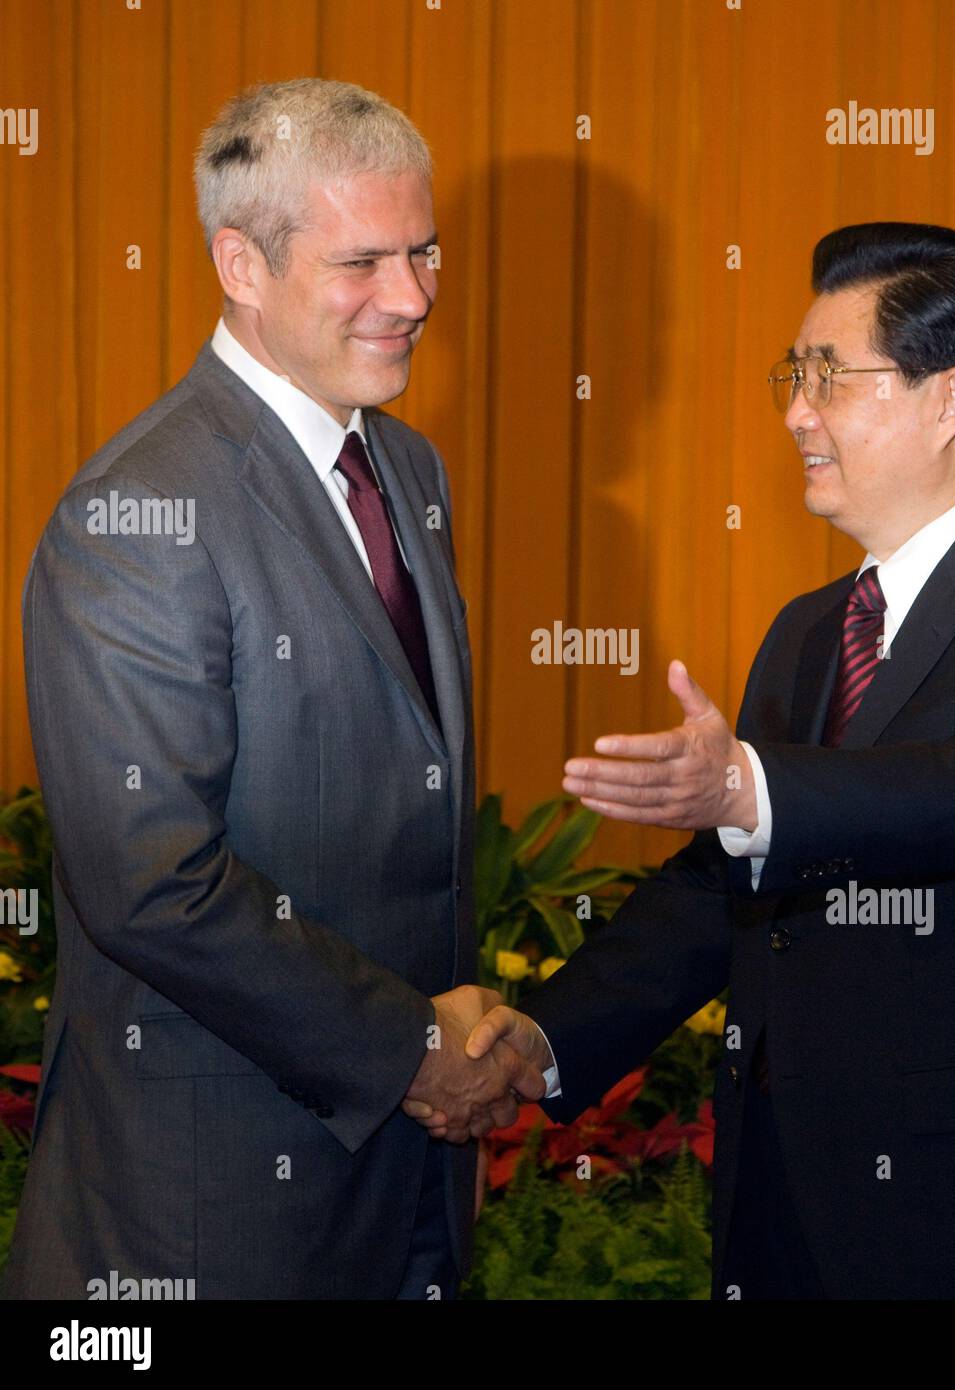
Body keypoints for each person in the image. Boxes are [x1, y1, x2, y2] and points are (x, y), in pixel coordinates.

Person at [412, 223, 955, 1299]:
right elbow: (728, 878)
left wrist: (742, 786)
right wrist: (543, 1039)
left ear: (947, 399)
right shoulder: (810, 629)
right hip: (775, 1200)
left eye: (826, 378)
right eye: (791, 375)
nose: (793, 413)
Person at [1, 78, 543, 1302]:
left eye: (424, 250)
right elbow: (153, 884)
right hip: (213, 1205)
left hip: (405, 1180)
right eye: (362, 262)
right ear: (239, 263)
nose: (411, 297)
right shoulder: (134, 518)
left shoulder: (406, 464)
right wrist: (412, 1049)